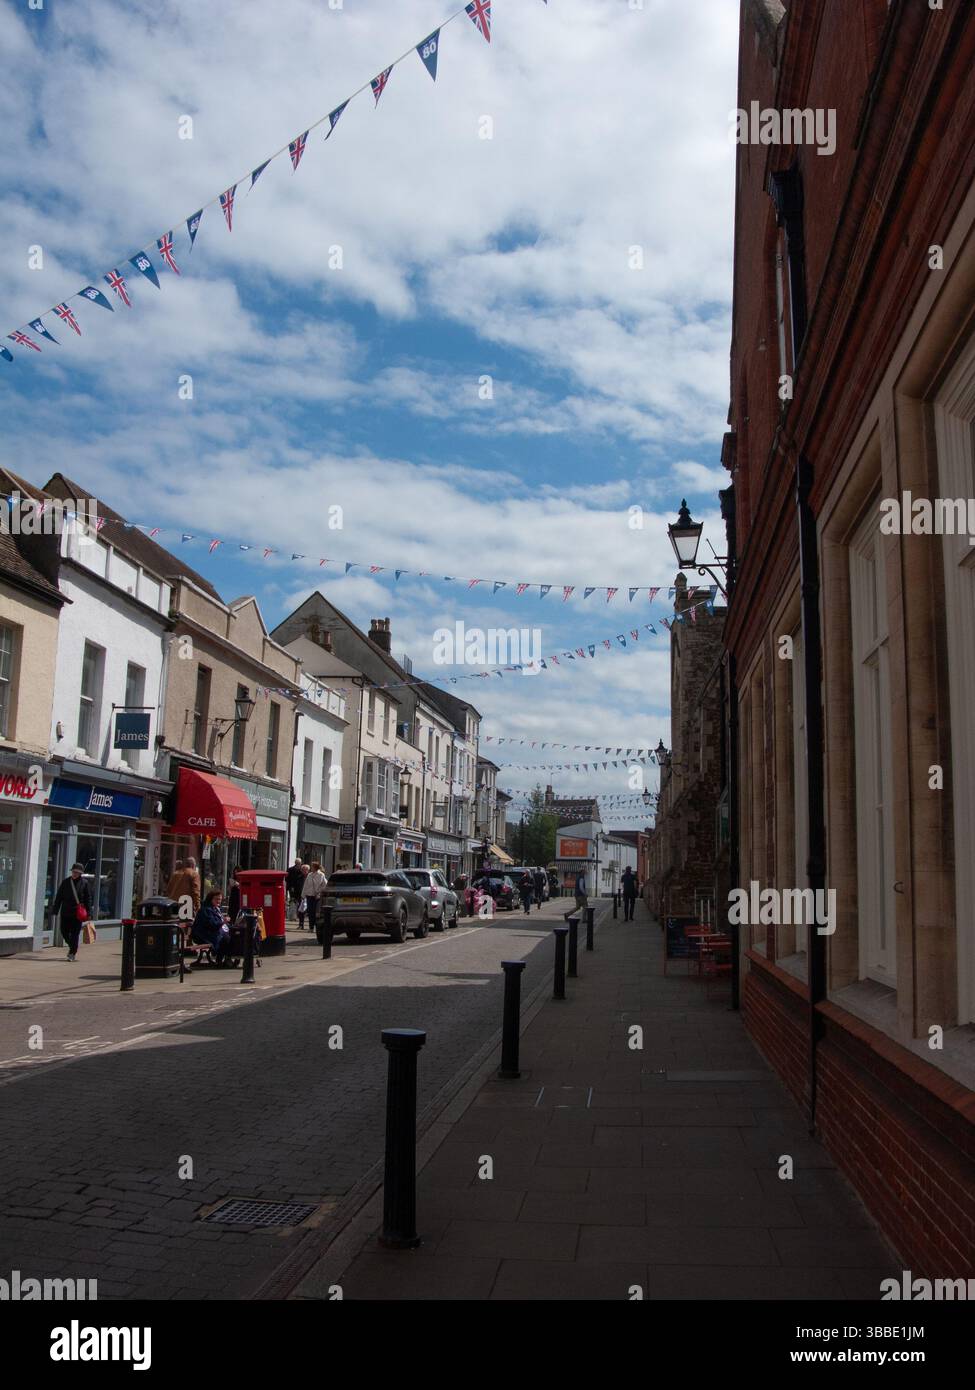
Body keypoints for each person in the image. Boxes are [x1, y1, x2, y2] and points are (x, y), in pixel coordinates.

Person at [52, 863, 93, 962]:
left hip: (77, 913)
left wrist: (89, 913)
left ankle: (72, 953)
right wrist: (55, 909)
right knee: (64, 931)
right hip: (66, 911)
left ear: (80, 874)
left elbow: (88, 899)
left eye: (77, 872)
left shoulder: (84, 883)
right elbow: (59, 897)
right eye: (74, 872)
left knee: (75, 933)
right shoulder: (66, 882)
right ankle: (72, 946)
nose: (75, 874)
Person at [191, 891, 231, 963]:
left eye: (220, 899)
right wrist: (223, 922)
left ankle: (227, 958)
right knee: (226, 938)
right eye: (216, 899)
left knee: (232, 935)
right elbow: (212, 925)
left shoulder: (215, 909)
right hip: (203, 935)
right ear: (210, 899)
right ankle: (220, 959)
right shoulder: (206, 909)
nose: (218, 901)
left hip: (211, 933)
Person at [302, 860, 327, 936]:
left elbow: (325, 885)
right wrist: (303, 895)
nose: (311, 868)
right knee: (310, 912)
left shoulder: (321, 875)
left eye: (312, 867)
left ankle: (317, 927)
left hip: (317, 896)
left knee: (317, 913)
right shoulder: (309, 875)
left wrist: (319, 892)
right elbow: (306, 885)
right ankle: (311, 927)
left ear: (315, 867)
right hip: (309, 895)